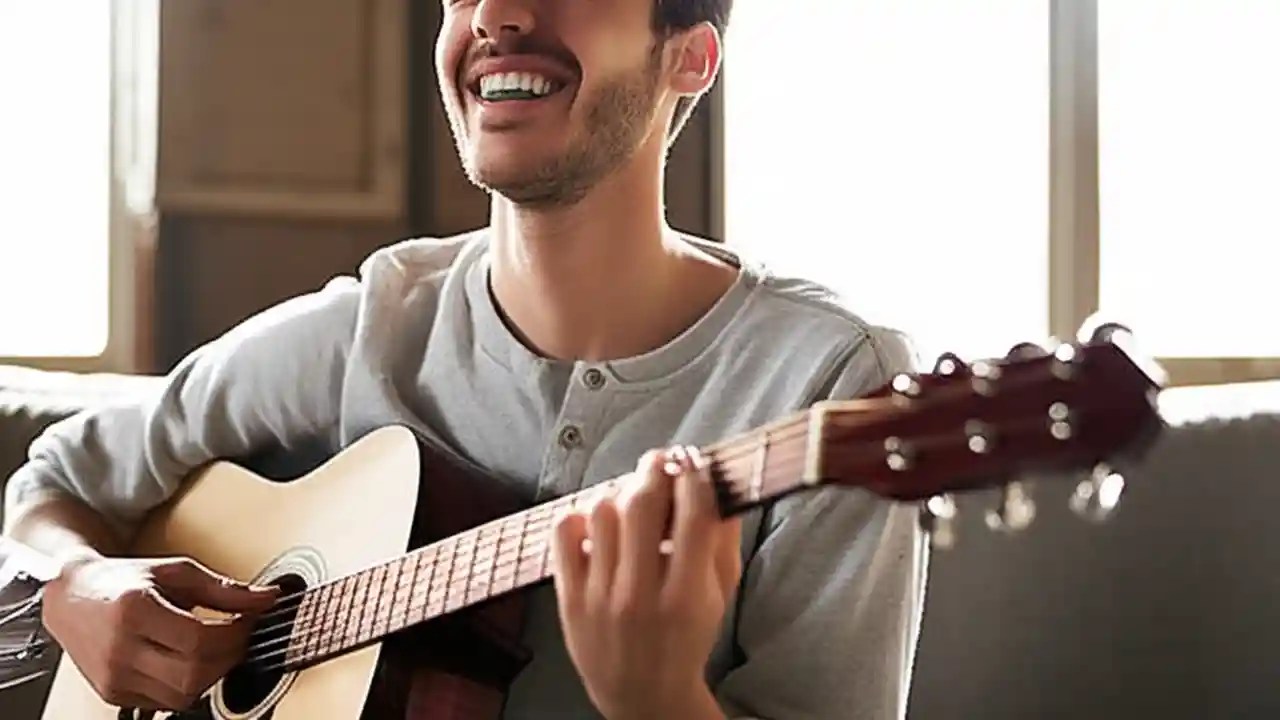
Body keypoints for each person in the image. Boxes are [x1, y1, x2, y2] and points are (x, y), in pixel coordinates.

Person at [2, 0, 928, 717]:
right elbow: (55, 481)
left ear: (689, 55)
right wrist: (73, 586)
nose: (494, 14)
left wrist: (660, 702)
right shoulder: (372, 327)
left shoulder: (834, 388)